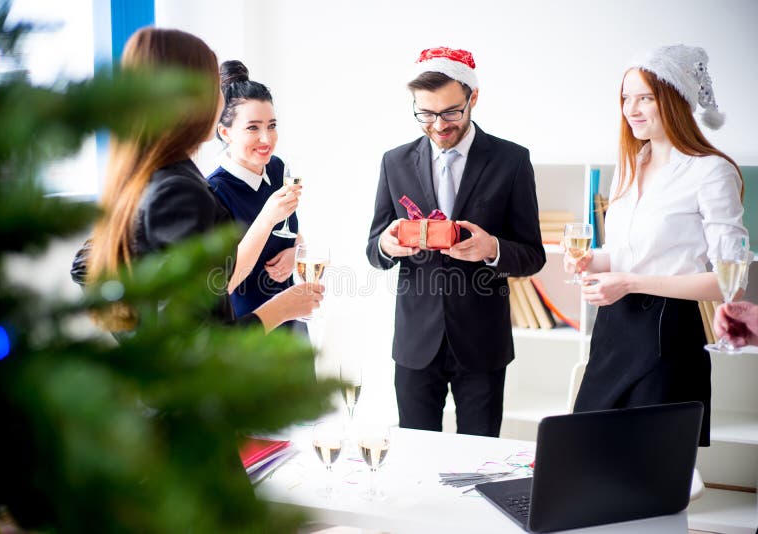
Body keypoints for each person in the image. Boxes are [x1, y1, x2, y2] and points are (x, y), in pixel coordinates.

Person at [78, 27, 322, 333]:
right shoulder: (181, 191)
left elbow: (87, 265)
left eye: (271, 125)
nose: (221, 98)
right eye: (214, 88)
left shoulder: (154, 176)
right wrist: (282, 307)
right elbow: (206, 341)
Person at [565, 45, 748, 446]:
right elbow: (622, 254)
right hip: (613, 331)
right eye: (626, 98)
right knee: (586, 459)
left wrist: (629, 282)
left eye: (645, 97)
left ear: (676, 99)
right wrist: (591, 260)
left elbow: (727, 282)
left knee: (649, 475)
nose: (632, 109)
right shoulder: (630, 164)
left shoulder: (711, 172)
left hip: (668, 337)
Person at [366, 47, 545, 437]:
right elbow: (373, 248)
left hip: (482, 344)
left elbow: (533, 256)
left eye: (451, 112)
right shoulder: (393, 162)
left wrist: (492, 249)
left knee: (479, 463)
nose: (438, 125)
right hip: (415, 345)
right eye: (425, 114)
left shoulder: (511, 161)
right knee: (415, 459)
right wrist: (387, 245)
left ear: (473, 99)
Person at [207, 60, 299, 319]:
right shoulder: (212, 192)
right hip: (246, 329)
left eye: (271, 125)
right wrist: (267, 218)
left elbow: (292, 233)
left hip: (291, 314)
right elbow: (222, 285)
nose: (266, 139)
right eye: (252, 127)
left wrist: (295, 254)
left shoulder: (278, 169)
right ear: (225, 132)